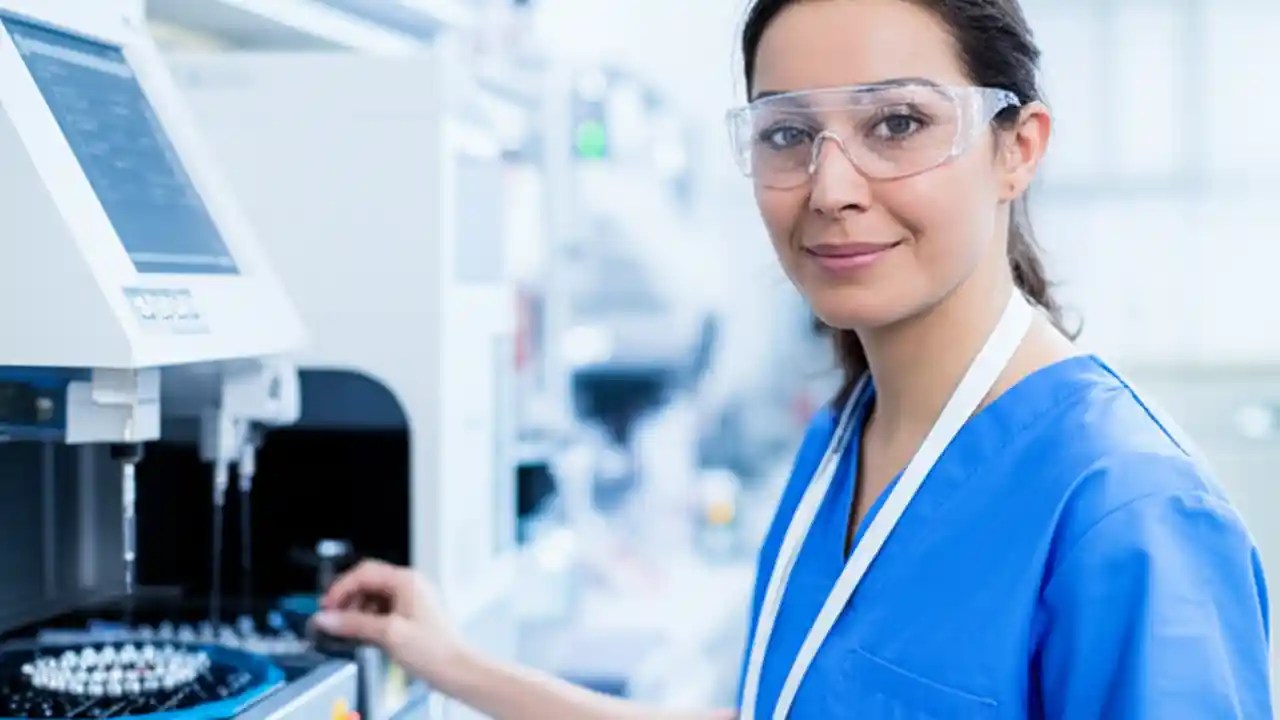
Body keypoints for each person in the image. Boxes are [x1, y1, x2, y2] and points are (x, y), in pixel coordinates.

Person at [312, 0, 1273, 717]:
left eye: (897, 123)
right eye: (788, 133)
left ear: (1018, 149)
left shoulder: (1129, 511)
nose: (830, 187)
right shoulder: (845, 440)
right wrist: (453, 663)